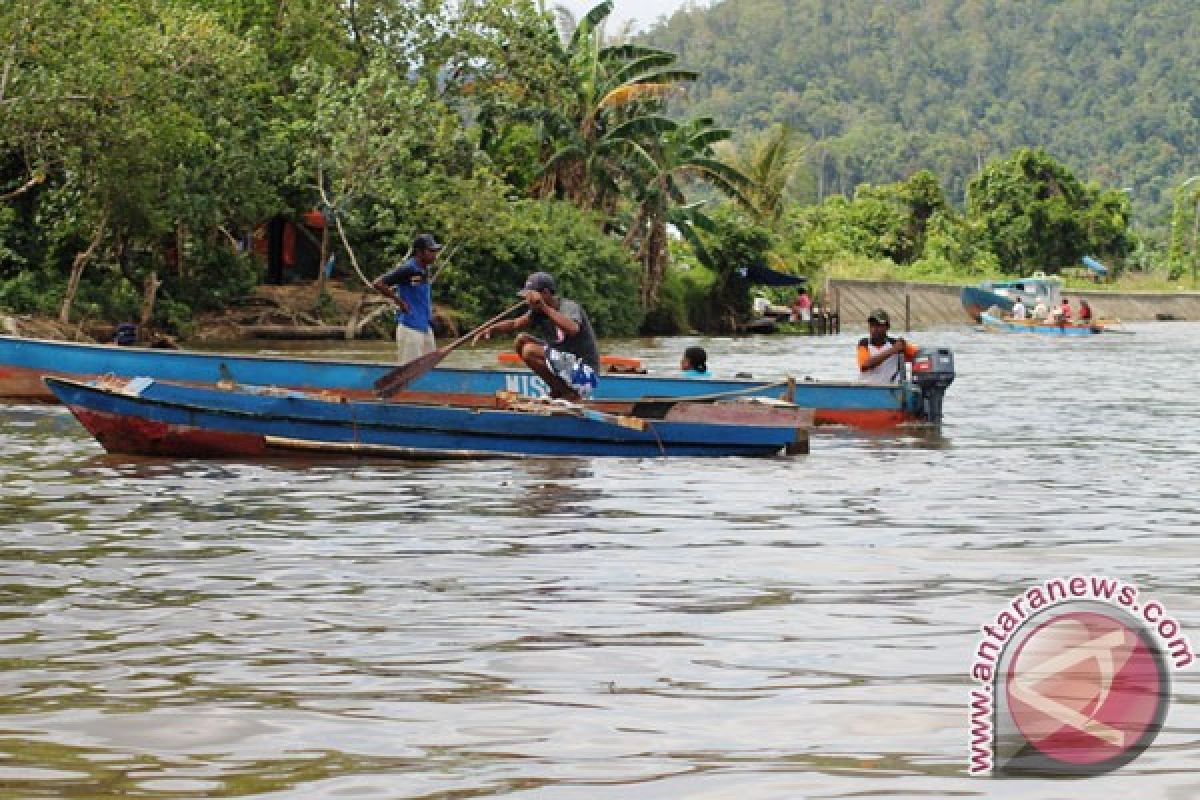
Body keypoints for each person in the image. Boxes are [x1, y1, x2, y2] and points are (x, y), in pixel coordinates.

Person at [473, 271, 599, 402]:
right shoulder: (538, 311)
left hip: (586, 376)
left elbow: (573, 329)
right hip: (566, 366)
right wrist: (491, 329)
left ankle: (570, 394)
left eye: (530, 297)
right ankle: (558, 390)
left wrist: (544, 307)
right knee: (521, 340)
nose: (528, 301)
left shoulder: (568, 307)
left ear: (545, 293)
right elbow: (515, 323)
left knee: (529, 351)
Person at [373, 233, 442, 363]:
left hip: (425, 326)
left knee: (430, 365)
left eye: (435, 251)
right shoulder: (408, 268)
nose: (434, 255)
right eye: (430, 251)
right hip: (410, 328)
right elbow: (378, 283)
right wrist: (400, 302)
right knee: (409, 369)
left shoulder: (425, 269)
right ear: (419, 252)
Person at [857, 308, 918, 384]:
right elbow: (866, 365)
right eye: (872, 325)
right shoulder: (864, 344)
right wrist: (892, 350)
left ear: (887, 327)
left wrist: (906, 352)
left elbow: (918, 355)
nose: (874, 329)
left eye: (878, 325)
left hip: (891, 390)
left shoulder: (897, 344)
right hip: (868, 389)